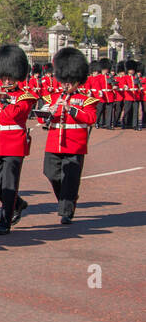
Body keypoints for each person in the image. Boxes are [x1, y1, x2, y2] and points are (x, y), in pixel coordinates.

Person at [0, 45, 37, 235]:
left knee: (9, 185)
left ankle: (5, 221)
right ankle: (18, 204)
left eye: (9, 77)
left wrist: (3, 99)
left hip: (14, 143)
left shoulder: (25, 97)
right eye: (3, 77)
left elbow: (16, 115)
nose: (6, 80)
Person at [41, 48, 99, 224]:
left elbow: (90, 118)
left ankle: (66, 211)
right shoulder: (53, 98)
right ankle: (69, 197)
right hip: (54, 143)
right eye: (63, 81)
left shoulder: (86, 100)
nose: (65, 84)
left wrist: (72, 109)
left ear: (77, 81)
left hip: (75, 144)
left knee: (70, 178)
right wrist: (47, 111)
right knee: (51, 173)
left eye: (70, 81)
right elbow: (43, 119)